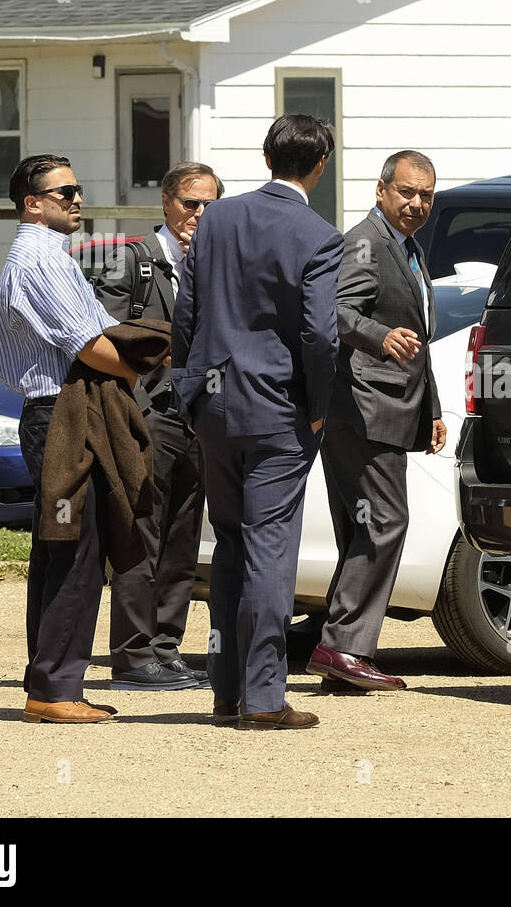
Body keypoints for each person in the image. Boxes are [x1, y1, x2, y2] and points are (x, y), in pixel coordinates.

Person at [171, 115, 340, 730]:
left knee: (230, 546)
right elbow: (321, 334)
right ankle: (264, 698)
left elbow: (187, 314)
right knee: (270, 552)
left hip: (215, 404)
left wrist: (188, 392)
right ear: (319, 166)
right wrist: (319, 405)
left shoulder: (215, 218)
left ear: (268, 156)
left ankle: (226, 689)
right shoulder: (319, 235)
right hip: (278, 409)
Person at [0, 153, 138, 724]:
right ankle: (53, 690)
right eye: (65, 192)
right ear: (33, 202)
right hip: (62, 416)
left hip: (60, 413)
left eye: (78, 190)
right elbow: (89, 343)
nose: (78, 199)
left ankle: (51, 683)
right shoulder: (38, 257)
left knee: (62, 550)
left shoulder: (47, 253)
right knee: (75, 551)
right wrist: (142, 367)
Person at [305, 150, 447, 692]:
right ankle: (343, 648)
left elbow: (420, 335)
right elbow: (334, 312)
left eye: (426, 195)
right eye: (407, 192)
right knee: (385, 522)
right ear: (382, 189)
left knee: (363, 527)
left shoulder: (406, 247)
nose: (417, 204)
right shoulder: (364, 241)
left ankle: (338, 654)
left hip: (389, 407)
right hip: (361, 408)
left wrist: (431, 406)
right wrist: (378, 337)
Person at [94, 162, 223, 691]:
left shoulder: (217, 262)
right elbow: (104, 336)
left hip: (201, 421)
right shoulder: (135, 261)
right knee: (140, 534)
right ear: (167, 204)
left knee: (182, 539)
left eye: (211, 205)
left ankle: (166, 647)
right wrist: (139, 407)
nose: (199, 214)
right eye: (191, 203)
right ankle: (131, 654)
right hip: (150, 417)